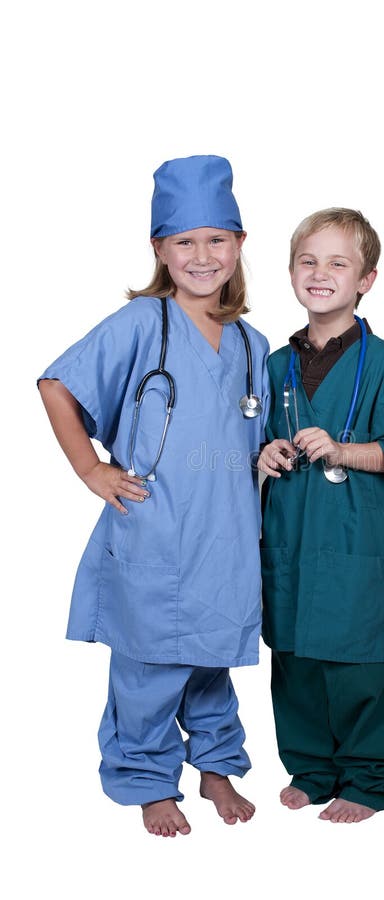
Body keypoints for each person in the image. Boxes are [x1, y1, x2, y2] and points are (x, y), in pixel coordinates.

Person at [39, 155, 270, 837]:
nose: (202, 256)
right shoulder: (143, 324)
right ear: (159, 250)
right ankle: (147, 779)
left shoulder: (253, 345)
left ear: (239, 245)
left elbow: (248, 434)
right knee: (149, 668)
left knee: (210, 659)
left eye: (216, 240)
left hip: (226, 537)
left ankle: (217, 766)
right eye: (184, 242)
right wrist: (91, 470)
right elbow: (59, 386)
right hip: (157, 530)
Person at [258, 208, 384, 823]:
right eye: (308, 261)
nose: (320, 272)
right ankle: (311, 770)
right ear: (290, 272)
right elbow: (255, 440)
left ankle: (369, 777)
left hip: (362, 544)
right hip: (294, 540)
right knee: (298, 660)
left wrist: (342, 449)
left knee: (359, 666)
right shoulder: (274, 366)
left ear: (367, 279)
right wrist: (266, 453)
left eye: (338, 262)